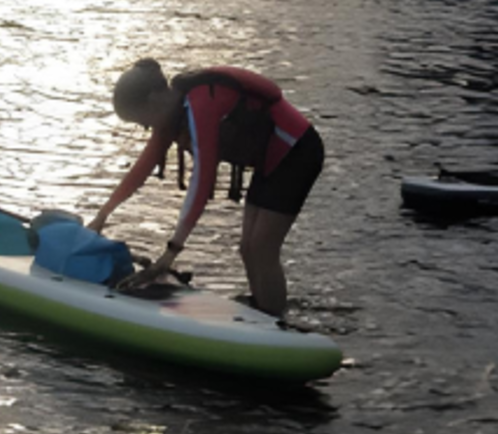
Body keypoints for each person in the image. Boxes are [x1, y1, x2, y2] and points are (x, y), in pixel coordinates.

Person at [88, 60, 324, 317]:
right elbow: (141, 170)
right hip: (272, 160)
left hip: (297, 153)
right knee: (247, 248)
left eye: (142, 121)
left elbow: (202, 180)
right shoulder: (171, 114)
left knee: (262, 249)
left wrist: (171, 252)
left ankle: (277, 327)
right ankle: (264, 312)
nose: (146, 128)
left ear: (154, 99)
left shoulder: (201, 104)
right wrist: (103, 214)